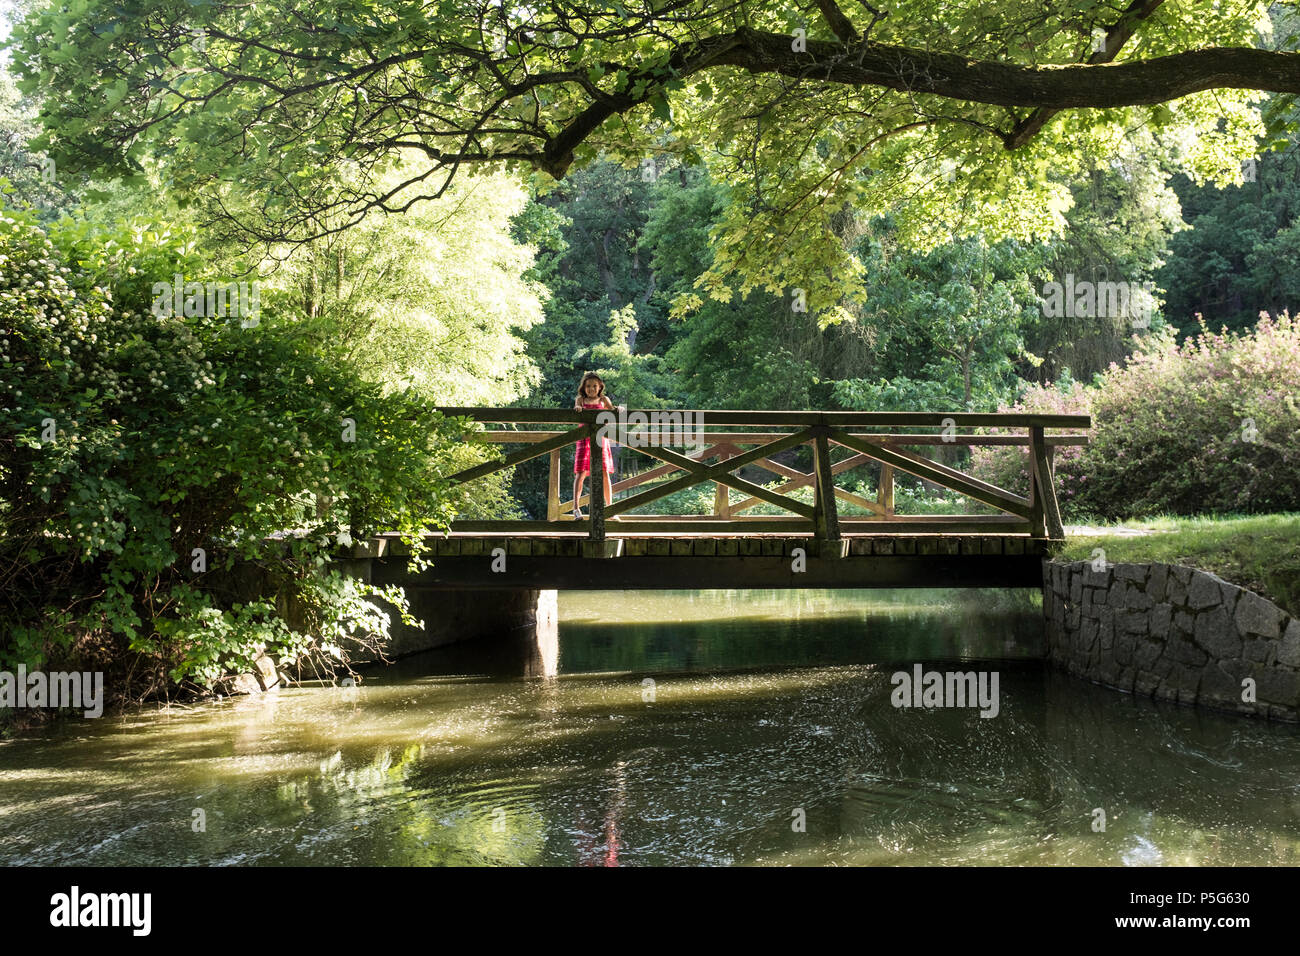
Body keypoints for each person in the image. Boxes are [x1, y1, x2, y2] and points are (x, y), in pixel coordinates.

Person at [572, 372, 615, 519]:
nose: (591, 389)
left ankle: (610, 509)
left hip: (600, 439)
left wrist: (617, 410)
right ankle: (576, 509)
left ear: (600, 387)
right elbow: (577, 407)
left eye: (594, 386)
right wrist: (578, 409)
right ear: (583, 387)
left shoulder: (604, 400)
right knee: (581, 473)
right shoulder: (580, 400)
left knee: (604, 473)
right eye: (588, 386)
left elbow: (612, 411)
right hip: (584, 439)